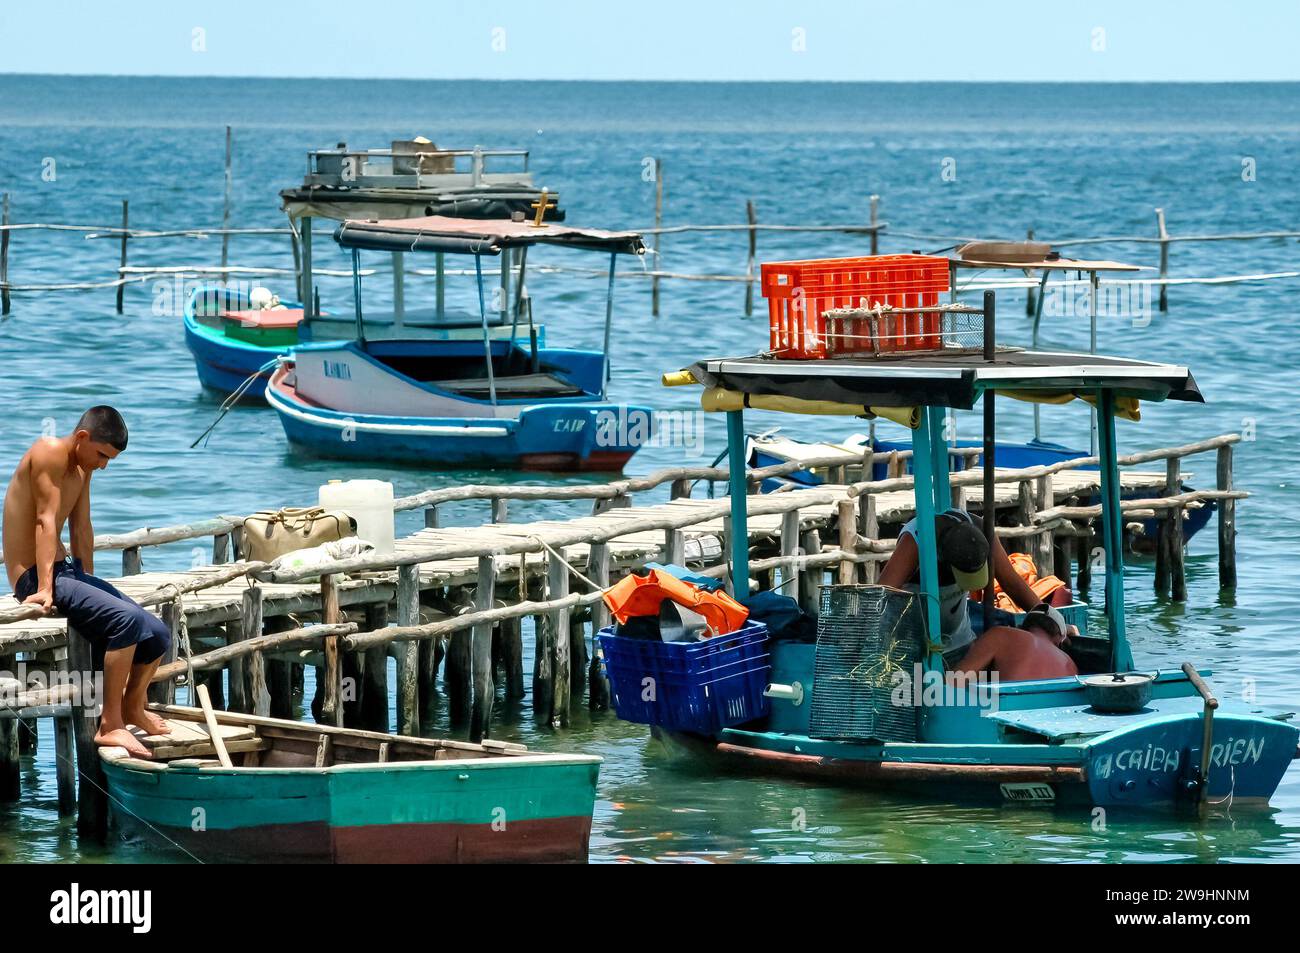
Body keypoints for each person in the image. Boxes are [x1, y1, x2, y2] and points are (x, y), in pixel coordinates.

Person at [2, 407, 170, 758]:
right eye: (102, 455)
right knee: (126, 621)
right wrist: (45, 589)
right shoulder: (47, 452)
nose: (104, 464)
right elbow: (45, 522)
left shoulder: (82, 469)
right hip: (33, 576)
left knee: (157, 633)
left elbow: (81, 527)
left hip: (65, 572)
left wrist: (88, 578)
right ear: (81, 438)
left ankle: (132, 707)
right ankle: (110, 725)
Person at [879, 507, 1050, 660]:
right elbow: (880, 597)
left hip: (960, 641)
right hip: (912, 645)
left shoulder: (981, 529)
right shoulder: (915, 542)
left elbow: (1011, 582)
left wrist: (1050, 619)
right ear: (948, 562)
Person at [948, 604, 1079, 682]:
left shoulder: (1002, 635)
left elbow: (953, 683)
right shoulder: (1071, 666)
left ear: (1021, 628)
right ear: (1060, 640)